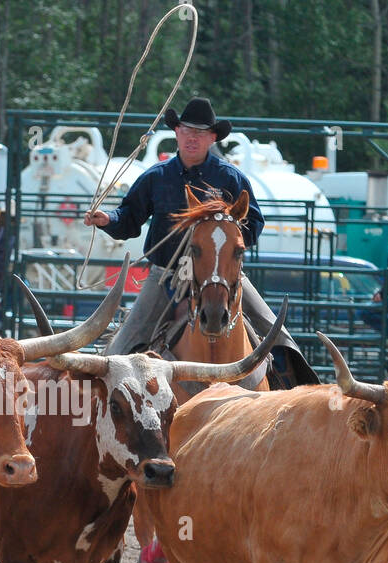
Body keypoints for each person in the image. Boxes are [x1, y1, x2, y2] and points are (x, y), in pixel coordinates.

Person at [84, 96, 316, 386]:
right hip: (167, 275)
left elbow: (254, 221)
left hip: (222, 273)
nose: (191, 138)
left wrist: (222, 245)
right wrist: (109, 220)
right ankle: (103, 396)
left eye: (200, 133)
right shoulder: (156, 177)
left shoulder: (230, 178)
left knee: (275, 331)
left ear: (212, 138)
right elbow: (129, 216)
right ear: (176, 133)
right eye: (186, 131)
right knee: (124, 343)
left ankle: (294, 389)